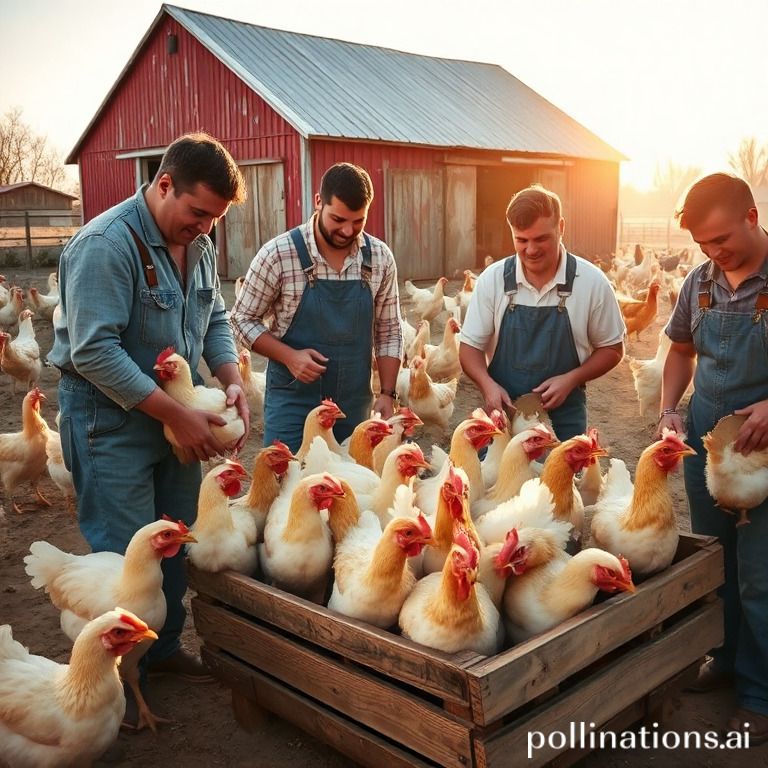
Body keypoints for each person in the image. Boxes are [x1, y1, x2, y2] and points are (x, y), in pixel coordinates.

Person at [49, 132, 249, 696]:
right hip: (109, 421)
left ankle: (161, 653)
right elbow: (92, 350)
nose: (205, 227)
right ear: (164, 185)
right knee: (122, 560)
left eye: (214, 218)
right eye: (197, 212)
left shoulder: (199, 245)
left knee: (174, 540)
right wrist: (176, 414)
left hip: (171, 417)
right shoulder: (106, 245)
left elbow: (213, 321)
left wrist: (232, 381)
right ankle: (111, 687)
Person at [659, 173, 768, 740]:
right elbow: (679, 351)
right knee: (715, 563)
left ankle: (760, 692)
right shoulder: (699, 283)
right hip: (707, 440)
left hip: (762, 451)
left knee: (760, 576)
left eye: (722, 238)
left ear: (752, 215)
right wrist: (668, 409)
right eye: (704, 243)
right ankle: (723, 660)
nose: (714, 251)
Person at [230, 162, 403, 451]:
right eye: (338, 219)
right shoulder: (278, 254)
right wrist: (289, 357)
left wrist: (387, 393)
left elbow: (389, 331)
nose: (348, 230)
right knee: (287, 487)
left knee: (348, 490)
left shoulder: (380, 259)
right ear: (318, 202)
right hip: (293, 407)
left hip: (353, 407)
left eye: (358, 221)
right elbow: (241, 320)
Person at [459, 184, 624, 440]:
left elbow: (613, 348)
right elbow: (469, 348)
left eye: (541, 239)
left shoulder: (592, 282)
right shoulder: (493, 280)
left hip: (564, 420)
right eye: (521, 240)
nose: (531, 250)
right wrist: (488, 386)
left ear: (561, 227)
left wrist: (572, 378)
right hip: (504, 415)